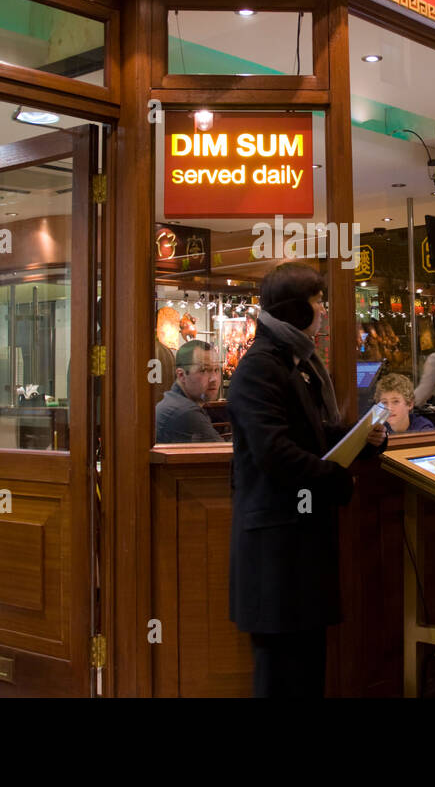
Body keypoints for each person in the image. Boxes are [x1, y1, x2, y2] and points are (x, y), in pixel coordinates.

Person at [227, 262, 387, 696]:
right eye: (317, 301)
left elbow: (313, 433)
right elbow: (275, 453)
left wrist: (364, 439)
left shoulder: (293, 363)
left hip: (298, 545)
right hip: (275, 551)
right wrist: (336, 480)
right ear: (296, 309)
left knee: (307, 667)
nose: (323, 310)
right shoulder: (259, 368)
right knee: (281, 673)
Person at [154, 339, 222, 443]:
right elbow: (226, 456)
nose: (214, 379)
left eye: (216, 370)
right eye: (204, 370)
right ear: (181, 375)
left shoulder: (174, 401)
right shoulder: (186, 413)